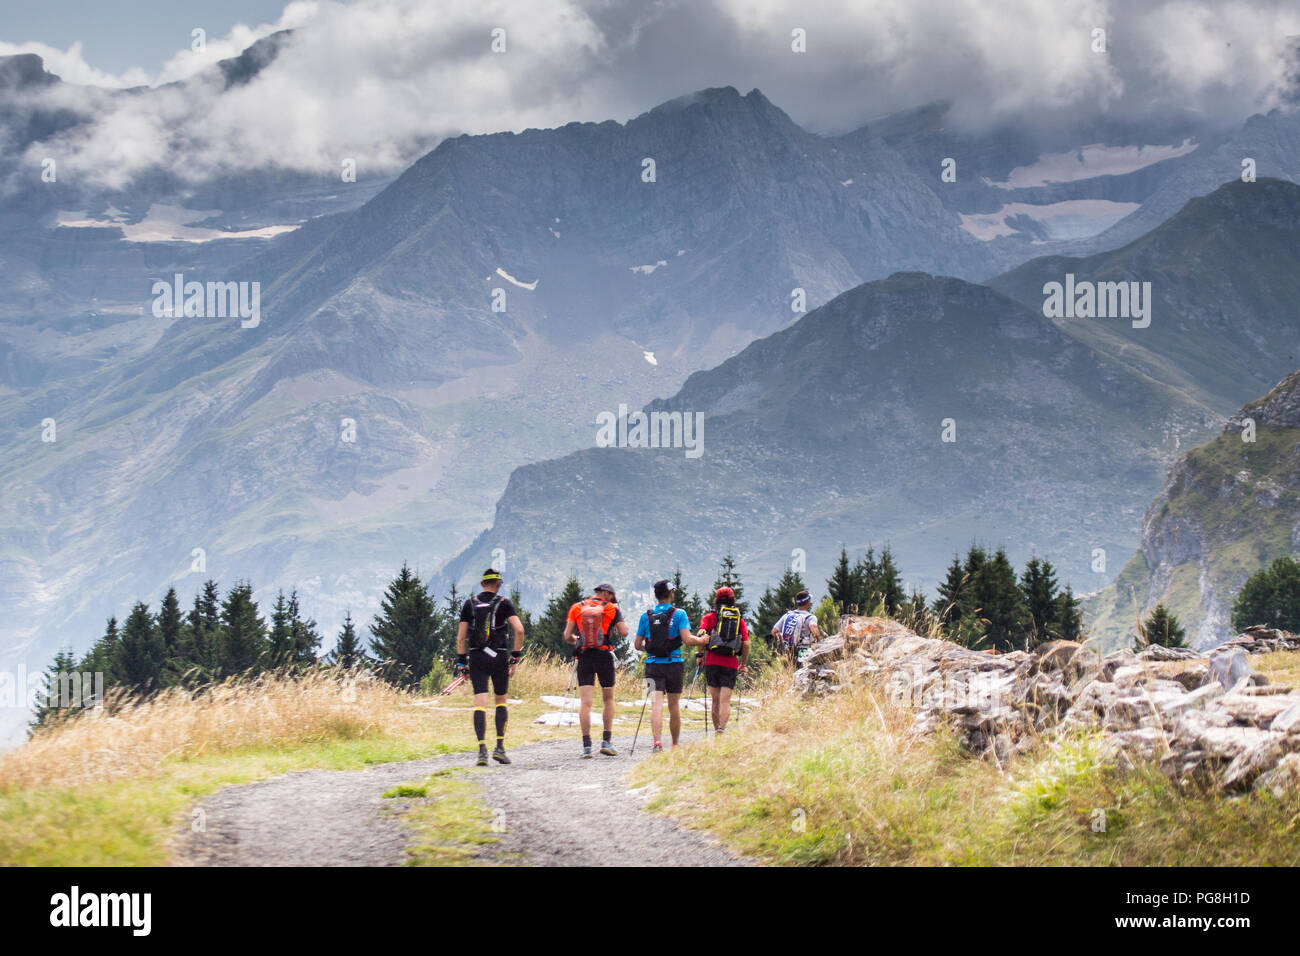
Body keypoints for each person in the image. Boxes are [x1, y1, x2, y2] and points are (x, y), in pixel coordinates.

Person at [454, 569, 525, 766]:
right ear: (498, 584)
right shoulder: (504, 603)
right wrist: (515, 656)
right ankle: (500, 748)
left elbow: (461, 637)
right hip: (499, 655)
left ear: (482, 584)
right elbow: (519, 630)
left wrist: (462, 662)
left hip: (477, 656)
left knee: (480, 702)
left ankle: (482, 751)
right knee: (500, 700)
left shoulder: (469, 604)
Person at [563, 582, 629, 757]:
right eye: (612, 596)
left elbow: (567, 636)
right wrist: (616, 616)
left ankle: (586, 747)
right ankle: (606, 742)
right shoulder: (611, 609)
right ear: (606, 594)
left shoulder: (577, 607)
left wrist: (577, 639)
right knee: (608, 699)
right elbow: (624, 632)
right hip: (604, 656)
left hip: (584, 656)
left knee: (586, 702)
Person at [634, 579, 693, 753]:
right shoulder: (679, 614)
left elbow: (637, 645)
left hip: (652, 665)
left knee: (656, 704)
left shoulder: (646, 616)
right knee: (673, 705)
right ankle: (674, 744)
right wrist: (703, 640)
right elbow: (688, 640)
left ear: (656, 596)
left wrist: (651, 647)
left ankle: (657, 743)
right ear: (670, 594)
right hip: (674, 664)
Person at [695, 586, 749, 735]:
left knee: (715, 700)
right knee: (725, 700)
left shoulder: (709, 617)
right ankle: (721, 729)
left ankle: (715, 729)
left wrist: (700, 655)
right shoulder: (739, 619)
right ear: (733, 600)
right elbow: (746, 643)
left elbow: (701, 635)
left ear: (716, 600)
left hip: (712, 661)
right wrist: (743, 664)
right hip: (730, 663)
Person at [773, 590, 822, 668]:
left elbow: (774, 631)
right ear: (808, 602)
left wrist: (784, 640)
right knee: (805, 672)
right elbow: (814, 630)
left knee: (792, 670)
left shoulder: (788, 615)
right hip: (804, 650)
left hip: (789, 650)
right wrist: (821, 643)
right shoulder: (810, 617)